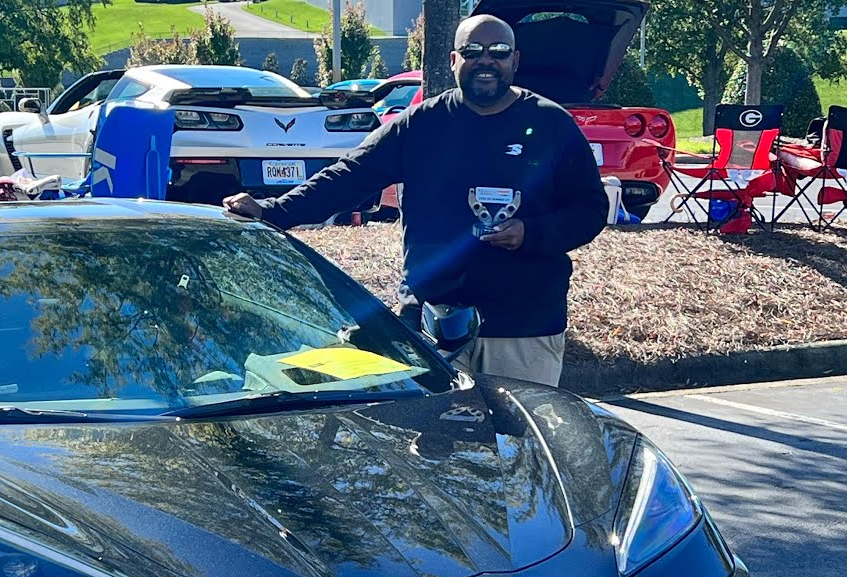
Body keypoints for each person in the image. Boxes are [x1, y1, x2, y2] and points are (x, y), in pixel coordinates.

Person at [222, 15, 607, 387]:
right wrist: (272, 211)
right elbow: (348, 176)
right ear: (454, 60)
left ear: (516, 60)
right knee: (431, 446)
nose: (485, 60)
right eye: (472, 50)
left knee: (519, 442)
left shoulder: (550, 124)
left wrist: (531, 233)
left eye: (499, 51)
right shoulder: (421, 124)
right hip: (430, 322)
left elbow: (590, 210)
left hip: (523, 329)